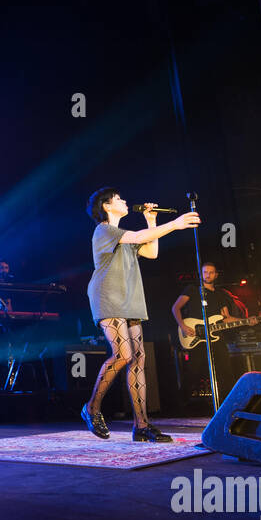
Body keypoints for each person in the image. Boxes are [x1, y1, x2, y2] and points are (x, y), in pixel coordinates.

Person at [81, 187, 201, 441]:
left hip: (130, 297)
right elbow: (137, 238)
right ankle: (91, 407)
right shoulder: (104, 230)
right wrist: (176, 224)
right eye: (119, 199)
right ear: (106, 206)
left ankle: (142, 426)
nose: (125, 201)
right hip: (109, 295)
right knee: (123, 355)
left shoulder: (124, 235)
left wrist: (152, 220)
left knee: (137, 359)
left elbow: (151, 251)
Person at [171, 262, 239, 406]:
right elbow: (175, 307)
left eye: (211, 272)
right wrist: (182, 325)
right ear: (201, 274)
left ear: (216, 275)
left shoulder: (220, 294)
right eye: (205, 272)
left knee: (225, 369)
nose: (208, 275)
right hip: (196, 335)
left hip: (215, 336)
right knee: (193, 371)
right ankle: (179, 404)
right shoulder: (192, 289)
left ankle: (227, 403)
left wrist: (247, 320)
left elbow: (226, 317)